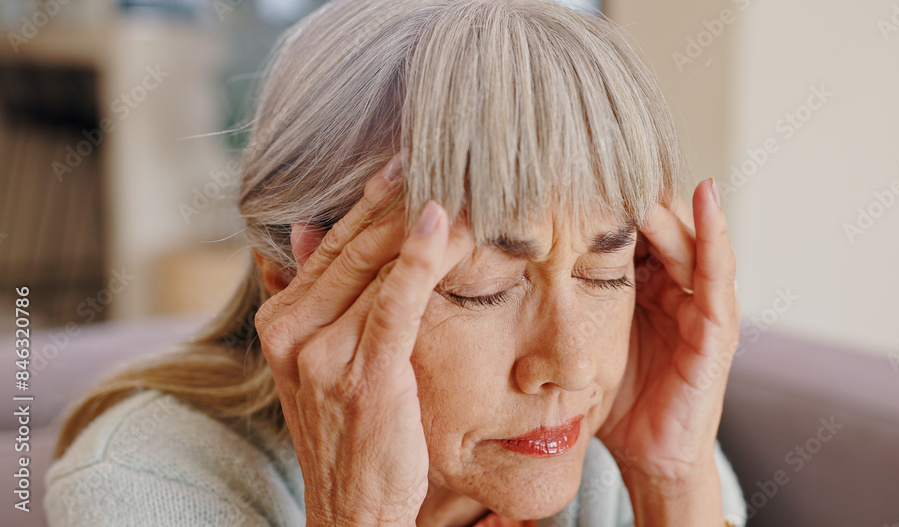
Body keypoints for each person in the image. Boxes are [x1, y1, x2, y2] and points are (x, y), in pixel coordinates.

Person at [45, 0, 747, 525]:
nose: (571, 365)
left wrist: (671, 484)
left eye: (605, 270)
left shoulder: (616, 465)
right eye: (484, 288)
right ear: (293, 284)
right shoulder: (145, 485)